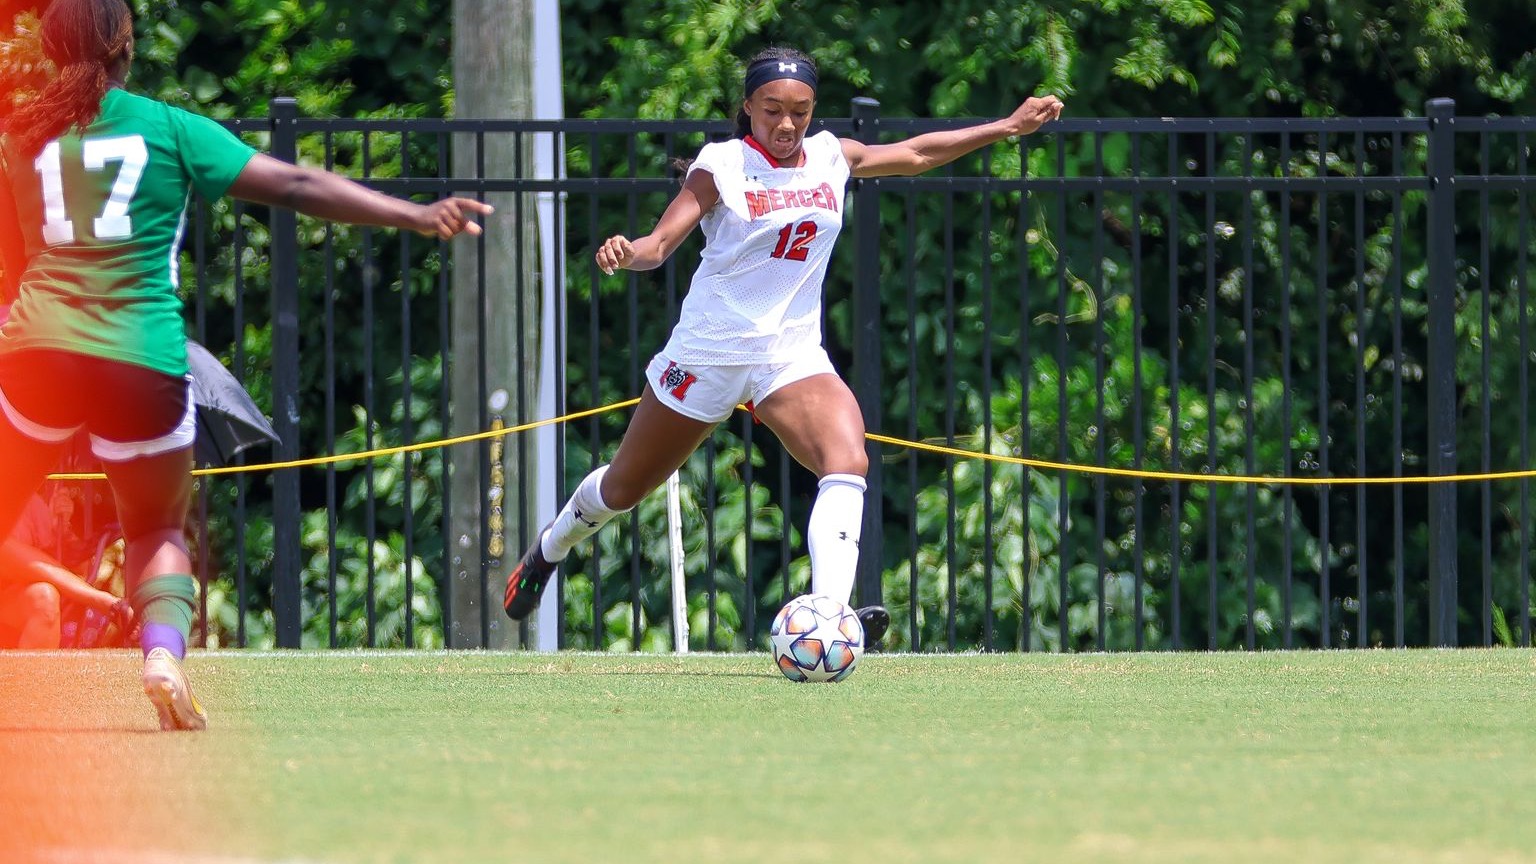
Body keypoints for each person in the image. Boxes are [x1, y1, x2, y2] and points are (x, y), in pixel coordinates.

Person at [0, 0, 491, 730]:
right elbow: (295, 186)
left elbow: (16, 266)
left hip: (38, 352)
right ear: (126, 46)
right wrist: (413, 214)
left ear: (48, 47)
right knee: (155, 529)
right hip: (141, 353)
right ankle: (161, 656)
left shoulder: (20, 136)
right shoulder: (170, 128)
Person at [503, 46, 1064, 647]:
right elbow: (658, 246)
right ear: (748, 107)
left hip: (789, 358)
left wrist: (1007, 127)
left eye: (800, 110)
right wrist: (626, 252)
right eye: (772, 109)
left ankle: (830, 618)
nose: (787, 124)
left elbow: (918, 153)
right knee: (622, 490)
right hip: (708, 356)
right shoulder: (722, 164)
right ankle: (548, 549)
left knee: (847, 459)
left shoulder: (830, 156)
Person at [0, 492, 129, 650]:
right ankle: (103, 602)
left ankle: (107, 603)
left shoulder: (31, 502)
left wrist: (62, 531)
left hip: (8, 600)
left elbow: (80, 571)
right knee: (3, 546)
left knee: (44, 599)